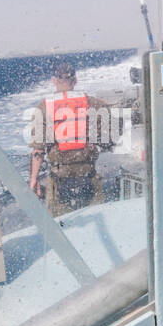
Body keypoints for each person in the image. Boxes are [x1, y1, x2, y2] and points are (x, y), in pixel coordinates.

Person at [28, 63, 114, 216]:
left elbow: (38, 151)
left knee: (63, 227)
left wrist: (34, 179)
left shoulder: (44, 108)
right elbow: (107, 141)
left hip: (59, 179)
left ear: (54, 81)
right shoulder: (94, 104)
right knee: (94, 220)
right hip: (89, 176)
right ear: (75, 80)